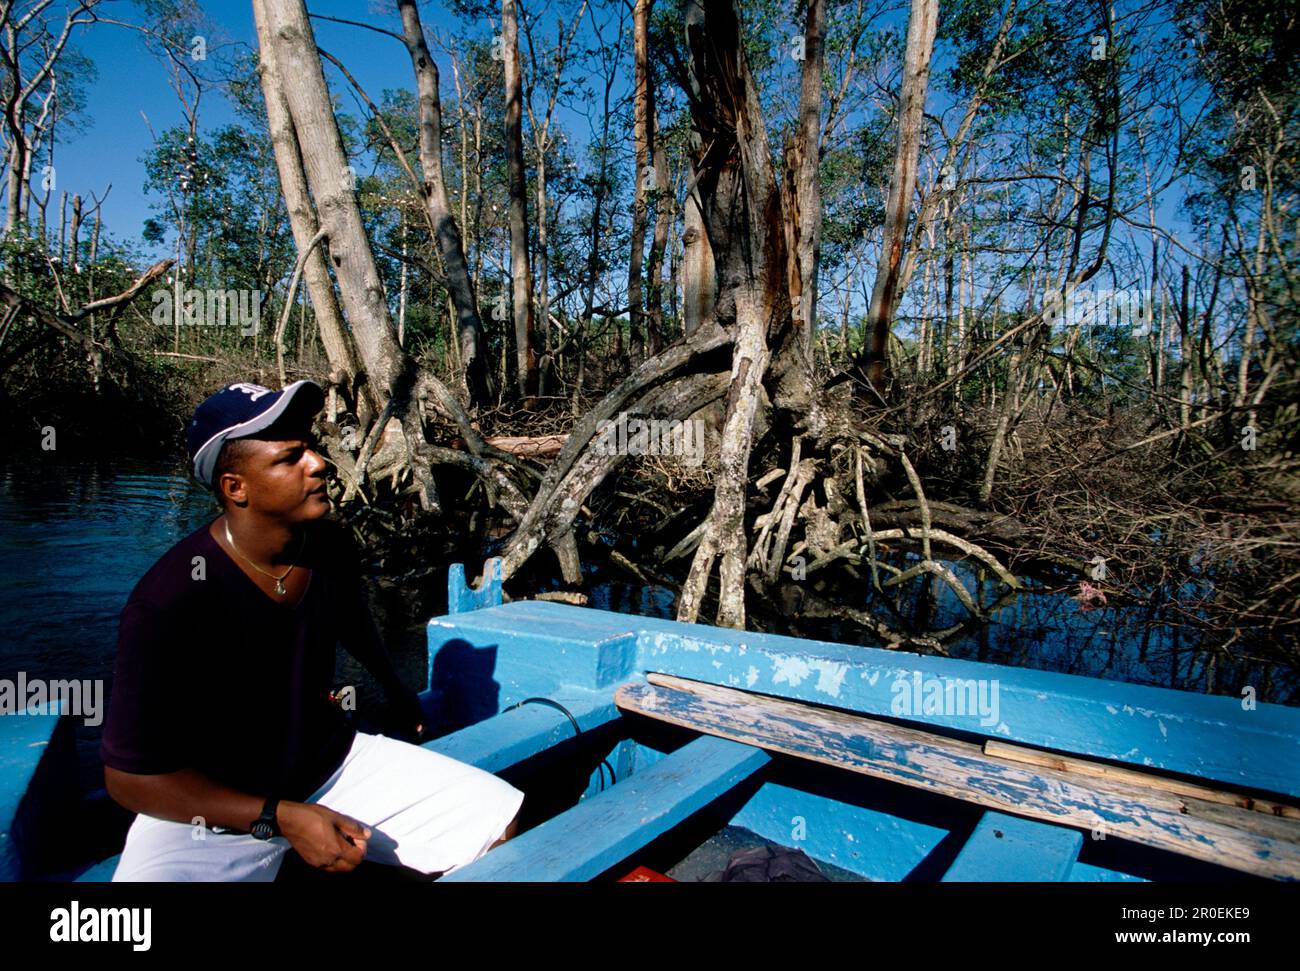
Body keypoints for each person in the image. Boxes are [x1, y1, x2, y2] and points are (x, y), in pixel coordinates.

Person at [100, 379, 523, 881]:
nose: (318, 463)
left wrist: (396, 689)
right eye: (290, 457)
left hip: (329, 765)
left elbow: (352, 618)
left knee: (494, 815)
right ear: (236, 487)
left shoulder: (326, 544)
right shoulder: (170, 600)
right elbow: (127, 779)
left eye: (312, 448)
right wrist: (277, 817)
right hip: (216, 809)